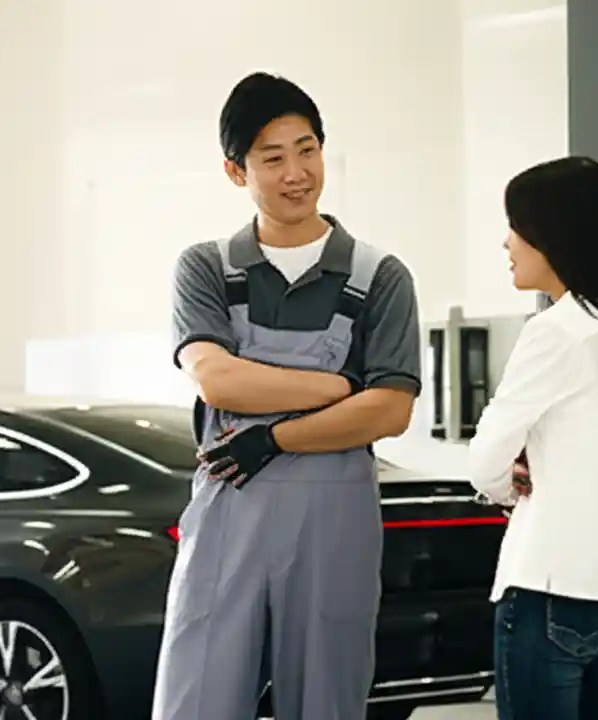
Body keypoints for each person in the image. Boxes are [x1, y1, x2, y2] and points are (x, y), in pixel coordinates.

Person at [152, 71, 422, 720]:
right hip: (228, 518)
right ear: (234, 170)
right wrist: (335, 389)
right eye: (273, 157)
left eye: (308, 149)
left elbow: (390, 410)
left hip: (334, 523)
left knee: (327, 702)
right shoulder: (205, 267)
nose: (296, 171)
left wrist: (270, 436)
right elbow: (217, 378)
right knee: (196, 699)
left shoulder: (379, 277)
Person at [467, 156, 598, 719]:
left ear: (552, 234)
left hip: (552, 590)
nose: (506, 242)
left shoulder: (557, 330)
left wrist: (507, 486)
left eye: (515, 225)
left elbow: (485, 457)